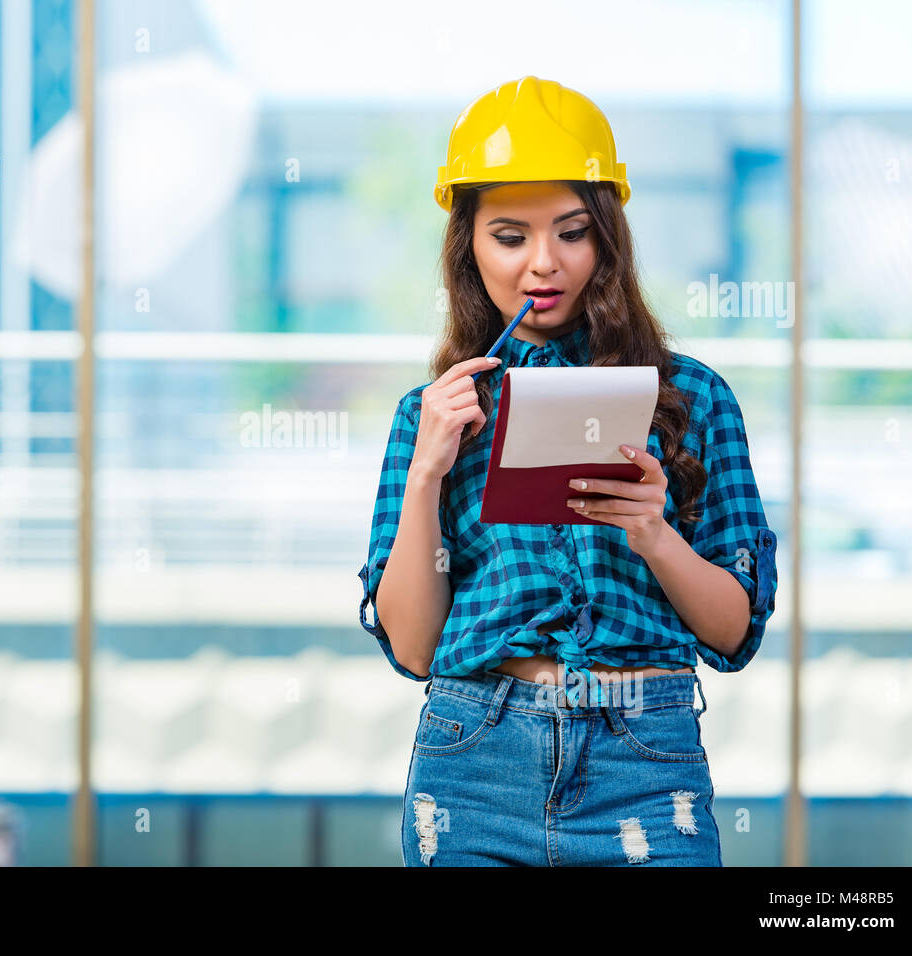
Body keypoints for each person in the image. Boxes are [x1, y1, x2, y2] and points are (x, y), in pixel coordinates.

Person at [356, 76, 779, 866]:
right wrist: (427, 475)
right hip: (474, 765)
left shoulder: (691, 399)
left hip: (644, 771)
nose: (542, 265)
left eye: (572, 232)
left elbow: (733, 632)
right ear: (469, 248)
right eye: (510, 236)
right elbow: (414, 648)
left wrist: (653, 532)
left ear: (607, 241)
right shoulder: (433, 414)